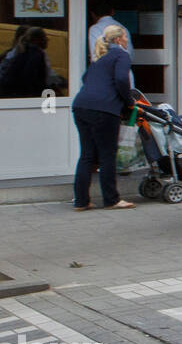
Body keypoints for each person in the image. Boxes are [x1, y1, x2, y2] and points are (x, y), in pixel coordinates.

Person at [70, 24, 135, 211]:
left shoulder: (99, 59)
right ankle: (111, 199)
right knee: (107, 155)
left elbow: (85, 79)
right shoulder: (121, 55)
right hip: (104, 110)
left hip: (81, 106)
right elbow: (122, 80)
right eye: (125, 36)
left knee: (87, 155)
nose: (126, 40)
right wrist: (129, 102)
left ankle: (81, 201)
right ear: (118, 40)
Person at [0, 26, 65, 98]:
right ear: (37, 39)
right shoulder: (35, 54)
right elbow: (32, 78)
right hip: (19, 96)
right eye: (44, 37)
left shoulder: (22, 52)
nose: (47, 40)